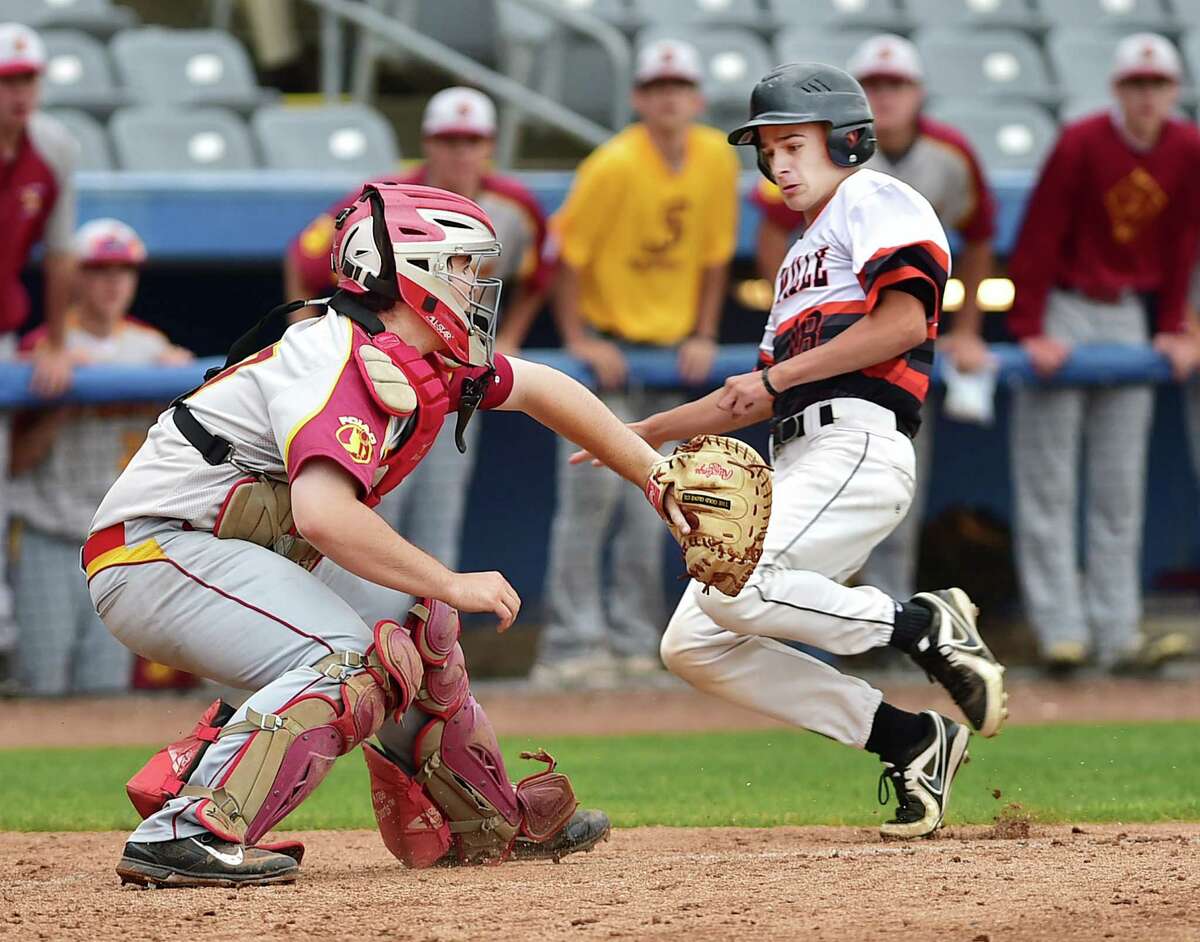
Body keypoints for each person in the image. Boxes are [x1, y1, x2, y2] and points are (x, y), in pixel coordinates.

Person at [86, 183, 687, 887]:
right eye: (462, 266)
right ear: (412, 272)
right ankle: (187, 831)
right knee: (348, 662)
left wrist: (656, 476)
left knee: (416, 626)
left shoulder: (415, 354)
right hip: (156, 551)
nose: (477, 284)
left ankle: (483, 820)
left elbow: (545, 389)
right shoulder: (336, 352)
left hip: (230, 549)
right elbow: (323, 515)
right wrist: (451, 579)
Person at [577, 63, 1008, 839]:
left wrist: (777, 375)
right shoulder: (800, 260)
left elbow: (906, 321)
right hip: (801, 456)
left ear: (847, 140)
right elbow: (755, 393)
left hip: (859, 444)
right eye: (767, 150)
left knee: (729, 591)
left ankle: (921, 625)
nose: (778, 164)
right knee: (695, 642)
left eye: (793, 144)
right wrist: (640, 435)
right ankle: (911, 742)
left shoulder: (876, 197)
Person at [751, 34, 997, 603]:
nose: (887, 96)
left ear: (919, 92)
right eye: (877, 84)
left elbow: (981, 236)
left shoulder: (948, 153)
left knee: (884, 492)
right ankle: (866, 622)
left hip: (898, 333)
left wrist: (968, 327)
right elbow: (769, 229)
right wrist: (792, 305)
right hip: (832, 340)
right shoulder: (817, 153)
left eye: (898, 84)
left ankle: (889, 618)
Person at [533, 38, 740, 687]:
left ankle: (633, 639)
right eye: (657, 88)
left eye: (679, 87)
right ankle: (571, 646)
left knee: (663, 501)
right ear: (638, 99)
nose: (669, 98)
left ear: (697, 97)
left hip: (668, 351)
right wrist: (580, 337)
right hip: (609, 350)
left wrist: (706, 331)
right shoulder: (613, 164)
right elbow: (566, 255)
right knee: (591, 498)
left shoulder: (714, 156)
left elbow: (714, 256)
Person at [285, 87, 550, 574]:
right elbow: (304, 259)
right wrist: (306, 336)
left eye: (472, 141)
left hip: (453, 381)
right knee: (368, 516)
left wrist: (510, 335)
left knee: (438, 524)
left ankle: (427, 640)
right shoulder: (384, 201)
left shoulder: (514, 207)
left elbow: (540, 277)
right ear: (428, 143)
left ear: (489, 145)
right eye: (449, 140)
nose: (461, 152)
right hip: (374, 379)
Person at [1006, 33, 1200, 675]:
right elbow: (1038, 235)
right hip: (1065, 305)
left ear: (1174, 91)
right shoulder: (1082, 140)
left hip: (1126, 316)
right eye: (1135, 85)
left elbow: (1182, 242)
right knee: (1050, 484)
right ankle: (1062, 630)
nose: (1146, 97)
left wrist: (1173, 324)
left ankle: (1117, 634)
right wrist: (1031, 325)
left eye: (1157, 85)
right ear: (1118, 90)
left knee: (1120, 489)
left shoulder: (1186, 147)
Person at [10, 219, 190, 697]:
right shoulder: (46, 346)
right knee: (41, 685)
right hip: (51, 533)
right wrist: (62, 400)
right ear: (75, 278)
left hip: (118, 540)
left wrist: (182, 381)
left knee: (107, 686)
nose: (113, 283)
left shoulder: (152, 348)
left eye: (123, 271)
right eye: (98, 270)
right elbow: (15, 462)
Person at [0, 23, 78, 689]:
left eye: (27, 78)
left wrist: (56, 339)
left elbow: (59, 254)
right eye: (7, 80)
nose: (19, 92)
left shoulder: (52, 147)